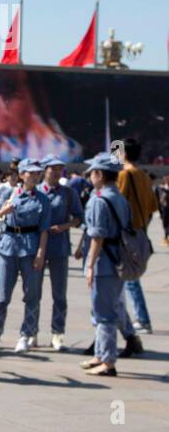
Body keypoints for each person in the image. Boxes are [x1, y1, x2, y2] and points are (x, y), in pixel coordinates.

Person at [0, 159, 52, 352]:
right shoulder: (8, 192)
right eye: (31, 173)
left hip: (30, 247)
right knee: (3, 294)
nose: (35, 176)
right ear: (22, 174)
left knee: (31, 294)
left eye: (38, 173)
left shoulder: (43, 199)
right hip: (8, 244)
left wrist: (41, 253)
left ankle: (26, 335)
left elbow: (44, 229)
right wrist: (4, 210)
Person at [80, 152, 136, 376]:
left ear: (100, 174)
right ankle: (101, 355)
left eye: (91, 172)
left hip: (104, 262)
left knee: (104, 313)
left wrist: (90, 265)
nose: (89, 176)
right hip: (118, 260)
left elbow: (97, 237)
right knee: (104, 307)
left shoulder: (99, 199)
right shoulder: (120, 197)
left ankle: (108, 361)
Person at [38, 155, 83, 351]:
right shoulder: (36, 191)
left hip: (59, 247)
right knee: (33, 293)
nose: (56, 172)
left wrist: (65, 226)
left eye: (59, 169)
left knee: (59, 294)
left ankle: (57, 333)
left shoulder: (68, 193)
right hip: (36, 248)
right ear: (44, 170)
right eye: (52, 168)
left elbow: (79, 217)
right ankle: (30, 332)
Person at [117, 138, 156, 334]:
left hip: (126, 233)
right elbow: (151, 207)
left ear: (123, 154)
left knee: (127, 279)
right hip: (140, 231)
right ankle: (136, 318)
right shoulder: (144, 176)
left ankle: (140, 319)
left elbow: (117, 203)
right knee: (131, 278)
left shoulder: (125, 174)